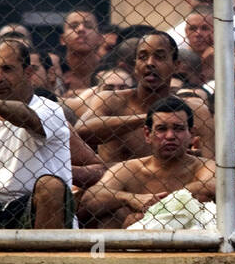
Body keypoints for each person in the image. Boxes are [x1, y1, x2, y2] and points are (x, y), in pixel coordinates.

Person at [0, 38, 73, 229]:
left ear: (28, 73)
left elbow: (27, 117)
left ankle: (45, 258)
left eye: (7, 69)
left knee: (51, 187)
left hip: (32, 203)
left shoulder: (49, 109)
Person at [73, 31, 214, 163]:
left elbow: (212, 165)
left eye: (159, 57)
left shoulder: (196, 110)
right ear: (135, 65)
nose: (150, 63)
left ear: (175, 65)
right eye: (143, 57)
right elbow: (82, 131)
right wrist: (149, 117)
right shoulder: (111, 100)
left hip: (176, 187)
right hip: (117, 186)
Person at [79, 97, 216, 228]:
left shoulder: (205, 167)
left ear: (191, 134)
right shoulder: (130, 169)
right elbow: (90, 199)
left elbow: (208, 188)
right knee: (115, 215)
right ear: (147, 134)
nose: (170, 136)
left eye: (178, 128)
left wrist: (162, 204)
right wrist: (130, 198)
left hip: (193, 239)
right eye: (161, 129)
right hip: (132, 243)